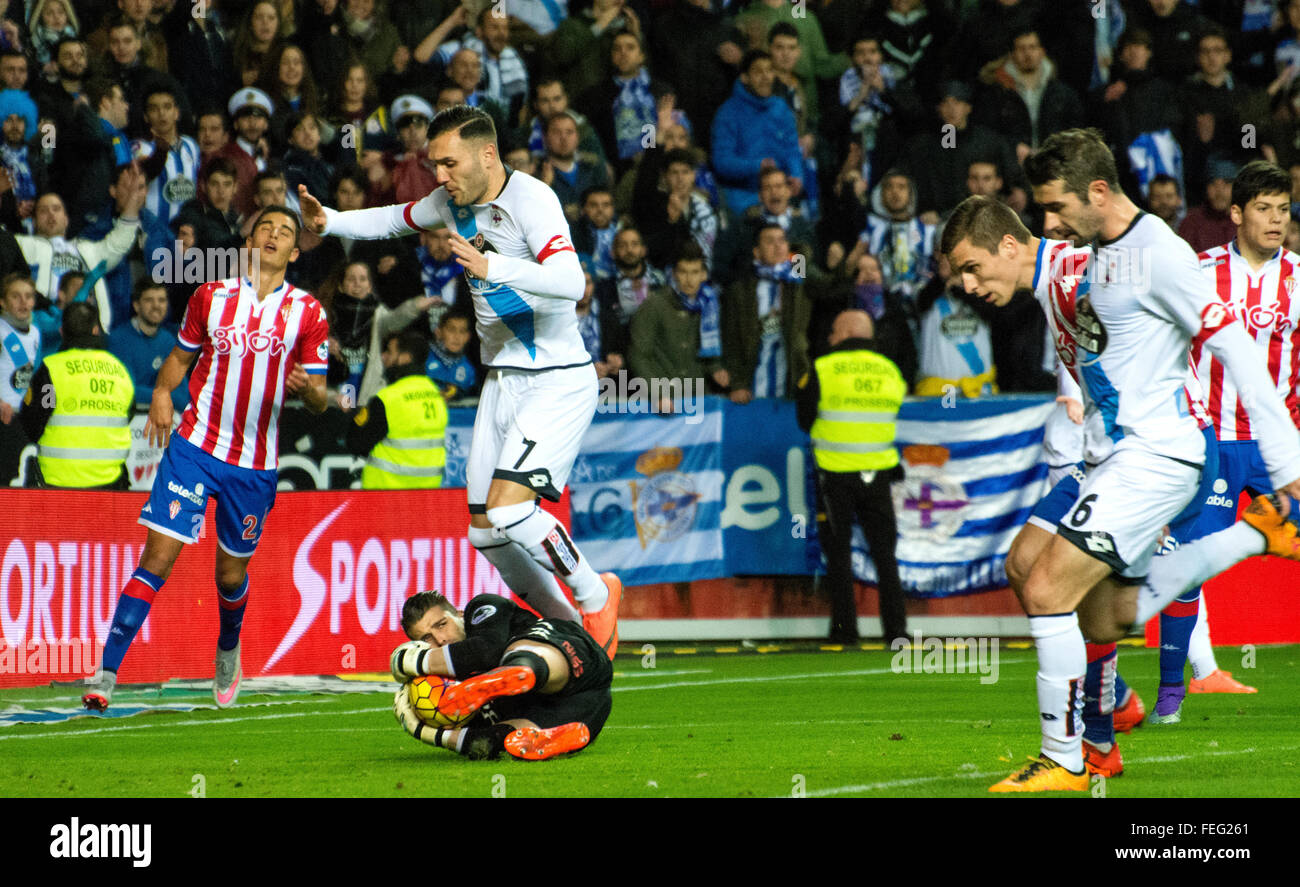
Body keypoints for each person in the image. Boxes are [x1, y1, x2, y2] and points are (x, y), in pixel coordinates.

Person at [941, 132, 1300, 791]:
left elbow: (1238, 353)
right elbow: (1078, 304)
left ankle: (1068, 756)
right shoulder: (1070, 266)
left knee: (1051, 584)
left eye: (971, 269)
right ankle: (1112, 711)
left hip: (1163, 452)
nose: (967, 285)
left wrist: (1289, 469)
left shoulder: (1158, 255)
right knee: (1057, 584)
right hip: (1110, 456)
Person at [298, 104, 622, 653]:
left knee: (512, 509)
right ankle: (569, 623)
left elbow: (571, 281)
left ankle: (596, 596)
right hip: (503, 380)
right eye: (434, 165)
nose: (440, 177)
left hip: (556, 377)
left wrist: (493, 267)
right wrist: (330, 219)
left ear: (487, 154)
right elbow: (394, 217)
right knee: (485, 531)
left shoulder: (532, 199)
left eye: (449, 164)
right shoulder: (449, 201)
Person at [81, 205, 330, 712]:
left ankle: (228, 647)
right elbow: (179, 357)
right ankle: (106, 671)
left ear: (294, 252)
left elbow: (322, 396)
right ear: (248, 241)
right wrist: (161, 393)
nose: (274, 236)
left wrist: (309, 390)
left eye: (285, 232)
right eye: (265, 227)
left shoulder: (309, 312)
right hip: (195, 446)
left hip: (254, 465)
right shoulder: (210, 296)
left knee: (229, 577)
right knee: (158, 556)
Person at [1162, 160, 1300, 712]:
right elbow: (1169, 348)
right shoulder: (1198, 272)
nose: (1275, 221)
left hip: (1279, 445)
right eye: (1263, 209)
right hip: (1213, 442)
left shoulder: (1298, 278)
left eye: (1284, 210)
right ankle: (1173, 692)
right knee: (1189, 565)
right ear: (1237, 214)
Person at [390, 590, 613, 761]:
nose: (439, 640)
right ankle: (551, 737)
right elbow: (478, 743)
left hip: (574, 657)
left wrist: (410, 661)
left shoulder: (481, 608)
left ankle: (523, 669)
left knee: (518, 655)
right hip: (585, 710)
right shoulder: (449, 690)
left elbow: (485, 651)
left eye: (442, 625)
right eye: (427, 639)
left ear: (459, 614)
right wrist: (422, 730)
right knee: (491, 741)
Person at [796, 309, 908, 645]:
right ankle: (896, 632)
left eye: (832, 331)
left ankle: (846, 632)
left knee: (839, 554)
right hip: (879, 473)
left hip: (835, 472)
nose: (829, 337)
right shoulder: (892, 370)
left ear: (844, 331)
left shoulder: (823, 367)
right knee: (885, 556)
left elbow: (804, 418)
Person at [20, 301, 133, 488]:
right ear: (96, 330)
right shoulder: (118, 369)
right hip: (109, 481)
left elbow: (32, 419)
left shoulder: (51, 368)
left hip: (56, 480)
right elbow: (127, 414)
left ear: (62, 331)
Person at [348, 329, 447, 489]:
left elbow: (355, 442)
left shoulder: (389, 398)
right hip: (428, 492)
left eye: (389, 351)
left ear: (405, 358)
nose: (384, 356)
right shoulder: (435, 394)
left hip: (386, 491)